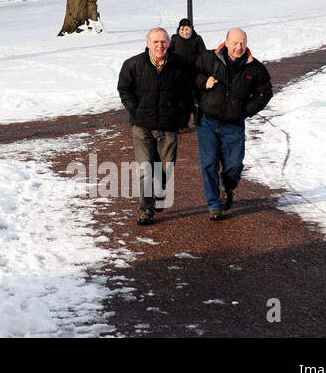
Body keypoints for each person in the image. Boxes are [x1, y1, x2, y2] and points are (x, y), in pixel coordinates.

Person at [117, 27, 196, 225]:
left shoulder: (180, 65)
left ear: (169, 44)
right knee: (145, 168)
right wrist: (135, 110)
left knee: (166, 166)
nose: (160, 46)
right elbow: (124, 88)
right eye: (156, 42)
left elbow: (188, 93)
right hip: (141, 125)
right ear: (148, 44)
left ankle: (160, 191)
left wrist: (182, 116)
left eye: (163, 42)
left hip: (169, 125)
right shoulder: (133, 64)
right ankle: (146, 209)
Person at [194, 27, 273, 220]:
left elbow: (265, 92)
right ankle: (214, 204)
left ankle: (227, 187)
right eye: (235, 43)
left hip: (234, 124)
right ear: (226, 42)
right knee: (209, 163)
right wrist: (204, 81)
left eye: (242, 43)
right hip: (208, 121)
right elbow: (191, 75)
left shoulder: (254, 67)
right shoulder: (209, 58)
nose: (238, 47)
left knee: (234, 165)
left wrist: (245, 111)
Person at [170, 18, 207, 126]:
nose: (185, 32)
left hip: (195, 73)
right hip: (180, 74)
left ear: (191, 29)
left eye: (187, 29)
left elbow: (203, 55)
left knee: (197, 98)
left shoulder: (197, 39)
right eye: (182, 29)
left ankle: (198, 119)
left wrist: (200, 66)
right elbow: (169, 53)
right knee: (182, 99)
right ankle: (182, 123)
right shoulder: (175, 39)